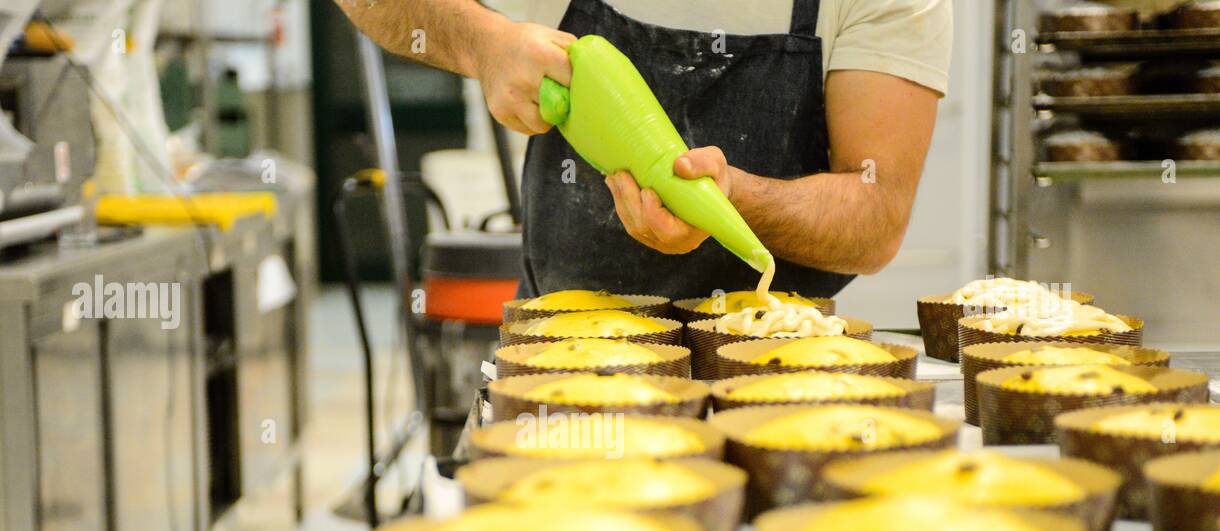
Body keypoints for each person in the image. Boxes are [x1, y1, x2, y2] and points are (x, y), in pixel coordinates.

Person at [335, 0, 952, 300]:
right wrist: (481, 43)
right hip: (566, 365)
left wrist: (730, 202)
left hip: (778, 372)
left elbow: (875, 214)